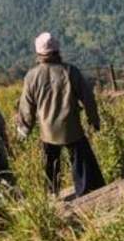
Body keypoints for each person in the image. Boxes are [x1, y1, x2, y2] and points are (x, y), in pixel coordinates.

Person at [16, 32, 105, 198]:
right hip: (71, 126)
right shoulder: (70, 71)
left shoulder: (32, 76)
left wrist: (24, 129)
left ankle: (52, 193)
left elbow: (27, 107)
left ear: (39, 53)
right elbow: (88, 99)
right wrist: (94, 120)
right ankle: (85, 192)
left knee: (51, 163)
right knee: (81, 161)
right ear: (57, 51)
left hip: (47, 130)